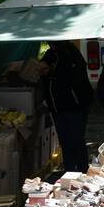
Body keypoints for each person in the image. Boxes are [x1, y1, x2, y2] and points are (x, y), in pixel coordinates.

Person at [40, 40, 95, 172]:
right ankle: (72, 171)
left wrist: (50, 74)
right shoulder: (54, 52)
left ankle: (80, 171)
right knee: (67, 141)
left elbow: (70, 76)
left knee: (74, 140)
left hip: (72, 106)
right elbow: (43, 64)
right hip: (61, 107)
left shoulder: (67, 53)